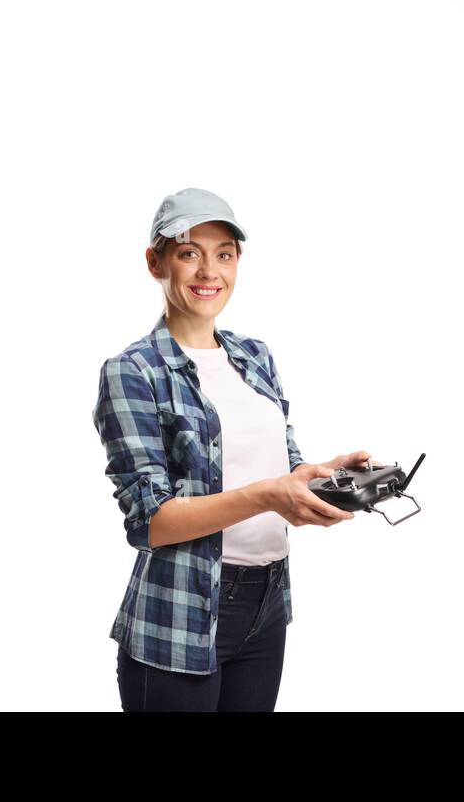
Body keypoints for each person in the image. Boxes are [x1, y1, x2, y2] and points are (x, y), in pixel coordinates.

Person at [93, 187, 379, 711]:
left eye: (224, 255)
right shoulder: (132, 372)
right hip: (180, 611)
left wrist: (316, 476)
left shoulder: (255, 356)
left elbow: (279, 461)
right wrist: (268, 495)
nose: (209, 271)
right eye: (189, 253)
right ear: (155, 262)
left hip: (267, 602)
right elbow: (149, 521)